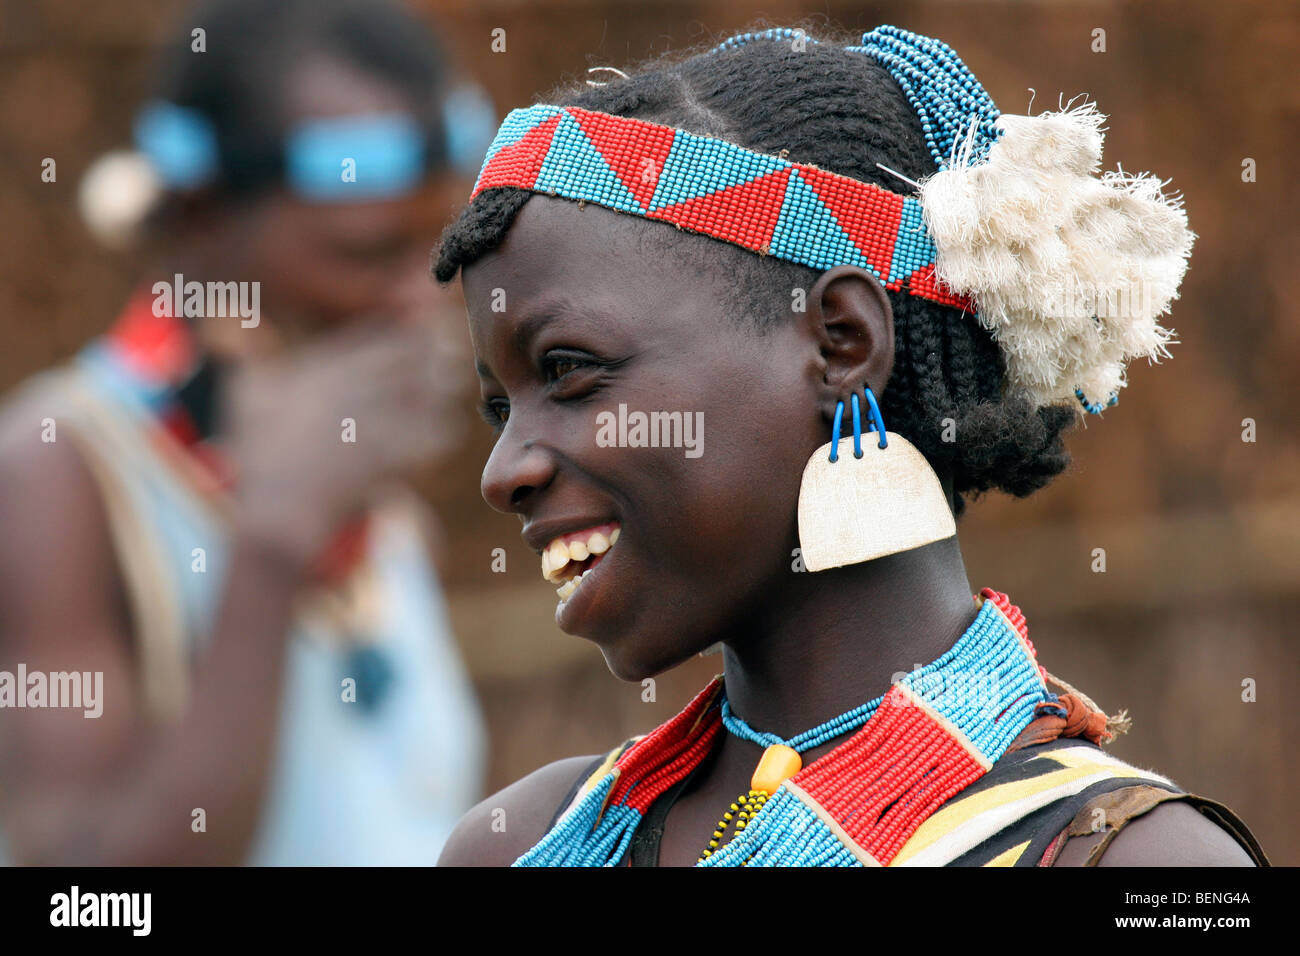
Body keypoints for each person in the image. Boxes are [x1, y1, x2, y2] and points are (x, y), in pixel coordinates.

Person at [433, 26, 1269, 867]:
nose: (506, 471)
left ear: (840, 343)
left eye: (569, 370)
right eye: (499, 408)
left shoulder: (1145, 865)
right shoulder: (532, 842)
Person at [0, 0, 489, 864]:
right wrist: (268, 551)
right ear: (198, 218)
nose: (419, 303)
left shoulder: (370, 505)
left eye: (435, 253)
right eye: (365, 254)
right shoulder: (58, 471)